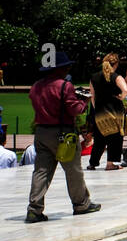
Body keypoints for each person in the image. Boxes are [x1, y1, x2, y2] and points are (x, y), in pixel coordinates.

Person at [26, 51, 99, 222]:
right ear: (60, 68)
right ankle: (81, 204)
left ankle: (34, 209)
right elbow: (74, 109)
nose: (68, 68)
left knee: (41, 171)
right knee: (73, 170)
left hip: (42, 132)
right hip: (63, 133)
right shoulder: (64, 86)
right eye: (66, 66)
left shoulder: (36, 86)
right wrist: (83, 102)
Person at [87, 52, 127, 171]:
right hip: (115, 111)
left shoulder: (94, 77)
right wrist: (121, 97)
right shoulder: (116, 77)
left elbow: (92, 96)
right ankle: (110, 163)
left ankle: (93, 163)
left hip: (100, 112)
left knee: (99, 138)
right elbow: (126, 89)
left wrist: (96, 108)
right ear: (116, 64)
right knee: (115, 137)